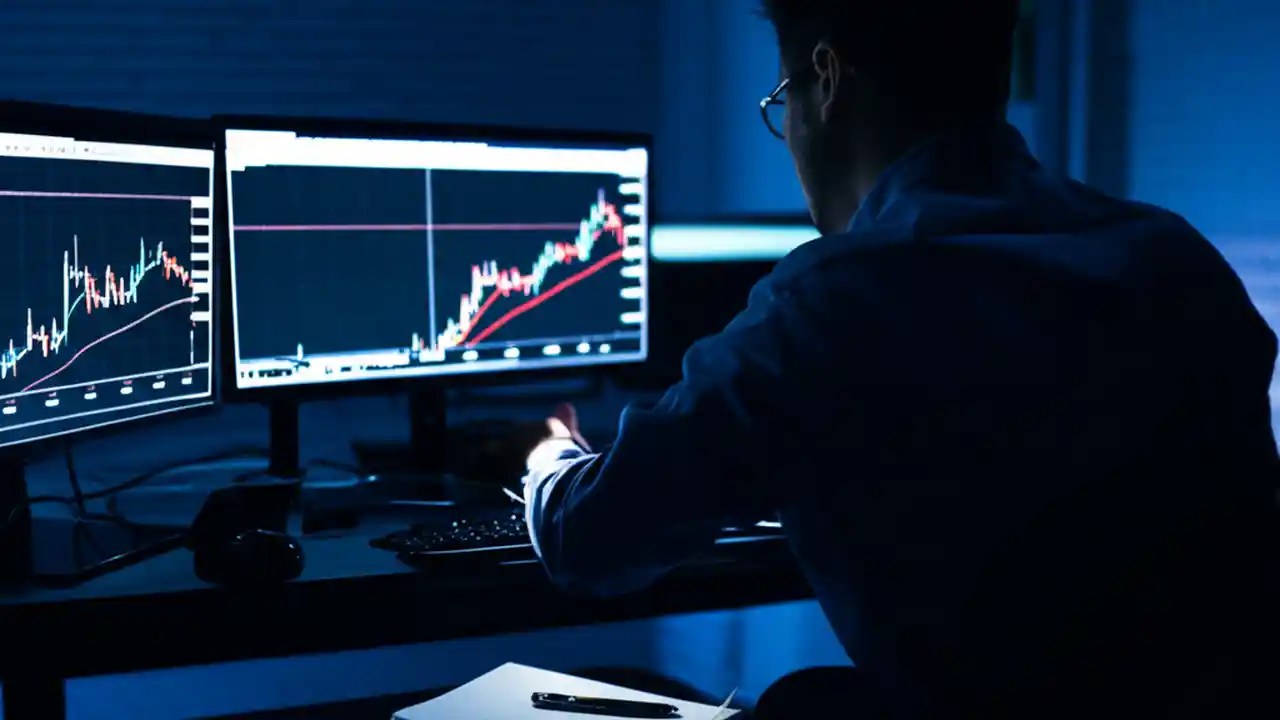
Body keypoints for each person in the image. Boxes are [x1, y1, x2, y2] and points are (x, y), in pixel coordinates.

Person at [521, 1, 1279, 716]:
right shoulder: (1176, 262)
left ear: (826, 78)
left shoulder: (831, 301)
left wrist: (551, 458)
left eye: (782, 102)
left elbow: (590, 541)